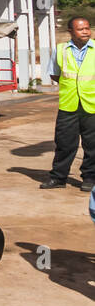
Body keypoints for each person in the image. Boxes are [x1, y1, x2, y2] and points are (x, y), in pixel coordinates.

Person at [42, 17, 95, 193]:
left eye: (87, 28)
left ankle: (90, 178)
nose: (86, 32)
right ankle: (58, 177)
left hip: (92, 105)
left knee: (92, 144)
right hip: (68, 104)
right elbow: (55, 75)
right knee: (64, 143)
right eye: (81, 29)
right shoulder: (61, 50)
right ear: (71, 32)